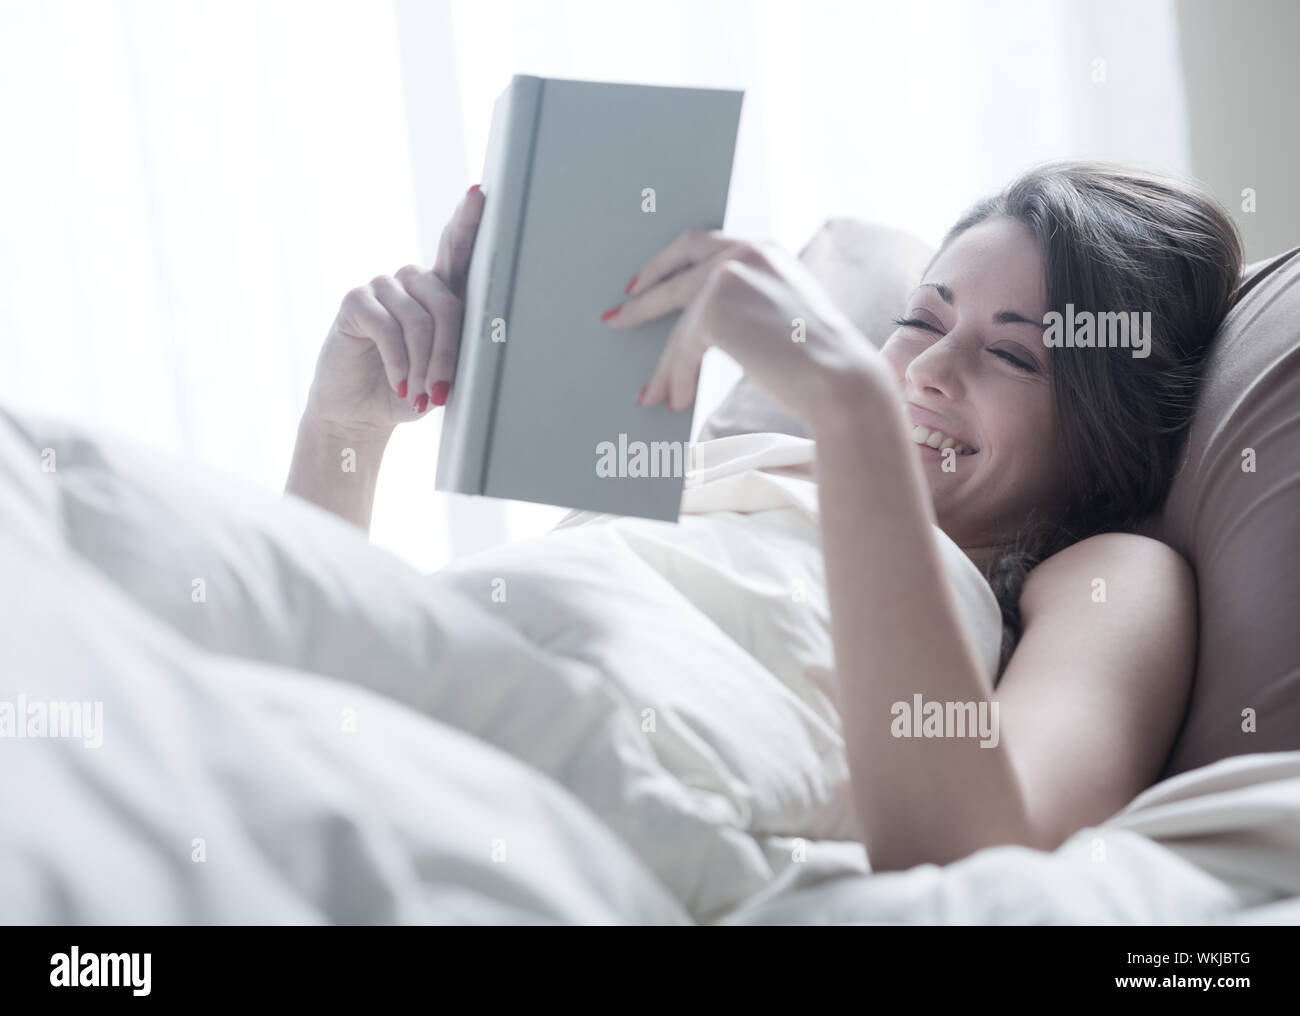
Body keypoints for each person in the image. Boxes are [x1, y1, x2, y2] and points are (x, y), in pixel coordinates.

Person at [286, 162, 1242, 872]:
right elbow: (309, 675)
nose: (926, 372)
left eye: (1017, 357)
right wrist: (347, 423)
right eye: (920, 320)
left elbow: (988, 866)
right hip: (372, 734)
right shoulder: (741, 475)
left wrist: (853, 414)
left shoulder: (1109, 574)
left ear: (1107, 429)